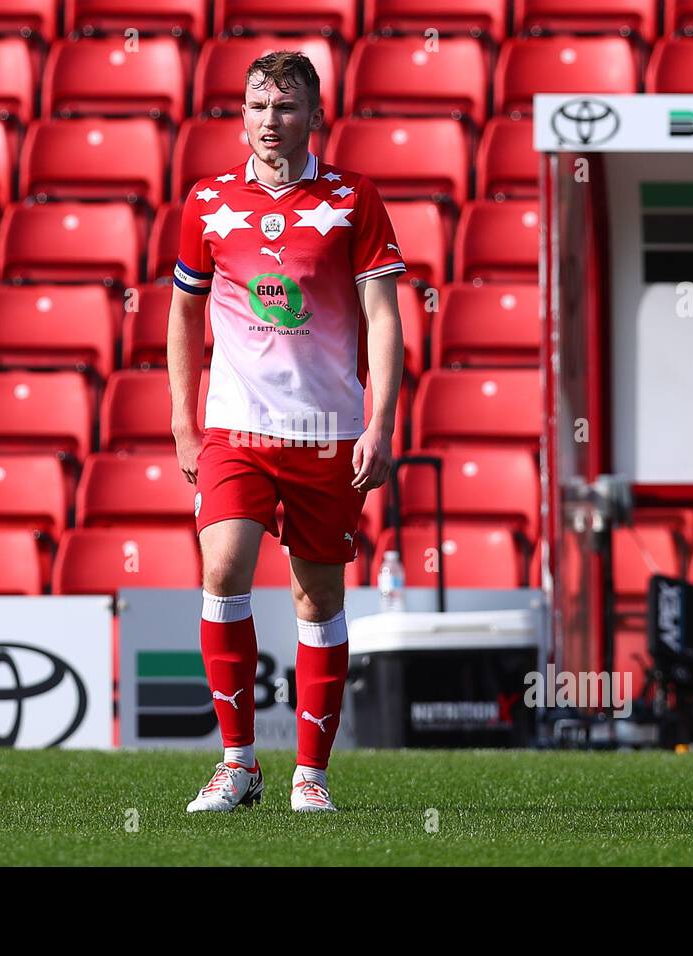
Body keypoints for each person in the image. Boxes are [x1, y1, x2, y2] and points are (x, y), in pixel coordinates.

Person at [166, 50, 406, 813]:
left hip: (326, 431)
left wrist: (382, 420)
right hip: (236, 428)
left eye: (287, 107)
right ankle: (238, 764)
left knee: (316, 596)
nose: (272, 121)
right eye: (259, 107)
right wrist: (181, 415)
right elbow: (181, 313)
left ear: (315, 115)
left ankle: (311, 775)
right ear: (243, 113)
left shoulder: (352, 198)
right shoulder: (208, 201)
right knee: (224, 568)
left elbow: (382, 315)